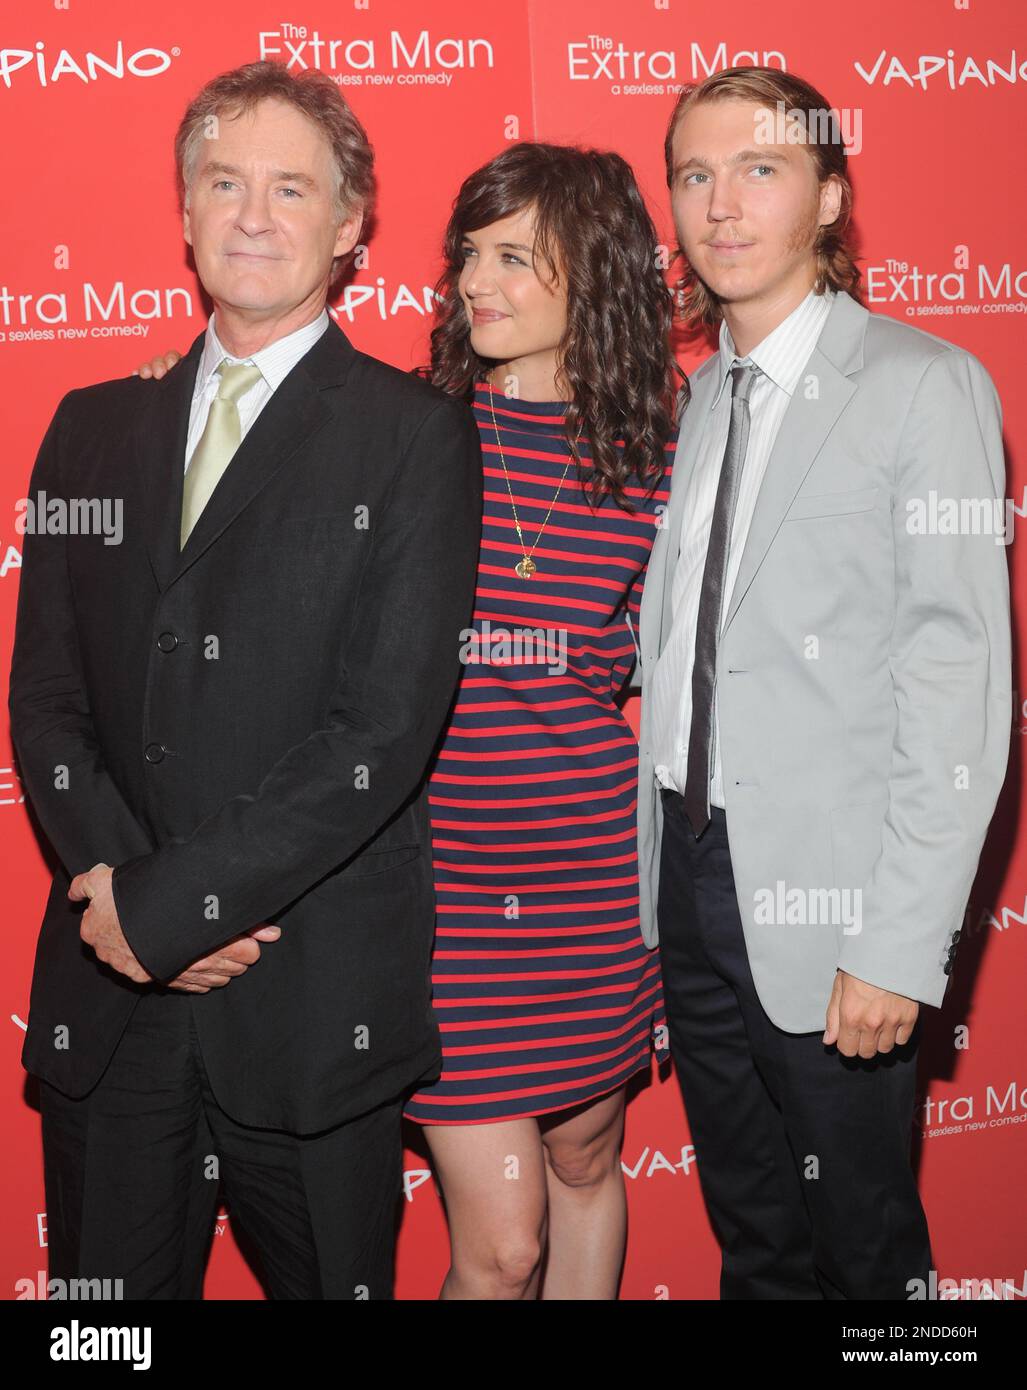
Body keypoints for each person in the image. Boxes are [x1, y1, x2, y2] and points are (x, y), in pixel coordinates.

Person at [141, 141, 682, 1299]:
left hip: (590, 877)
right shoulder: (404, 436)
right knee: (503, 1245)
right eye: (466, 256)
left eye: (510, 258)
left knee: (588, 1157)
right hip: (443, 893)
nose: (473, 283)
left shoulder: (662, 459)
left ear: (591, 274)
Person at [8, 60, 481, 1300]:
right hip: (112, 1003)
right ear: (183, 210)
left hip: (310, 1005)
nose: (255, 215)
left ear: (349, 226)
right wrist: (126, 903)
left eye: (291, 188)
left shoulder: (416, 435)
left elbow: (381, 730)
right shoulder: (87, 427)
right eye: (225, 182)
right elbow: (45, 702)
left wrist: (181, 913)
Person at [636, 65, 1011, 1299]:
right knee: (758, 1240)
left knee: (869, 1258)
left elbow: (958, 682)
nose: (720, 204)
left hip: (836, 907)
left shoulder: (921, 384)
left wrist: (900, 944)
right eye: (695, 174)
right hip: (690, 885)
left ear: (831, 198)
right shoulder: (698, 398)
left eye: (760, 168)